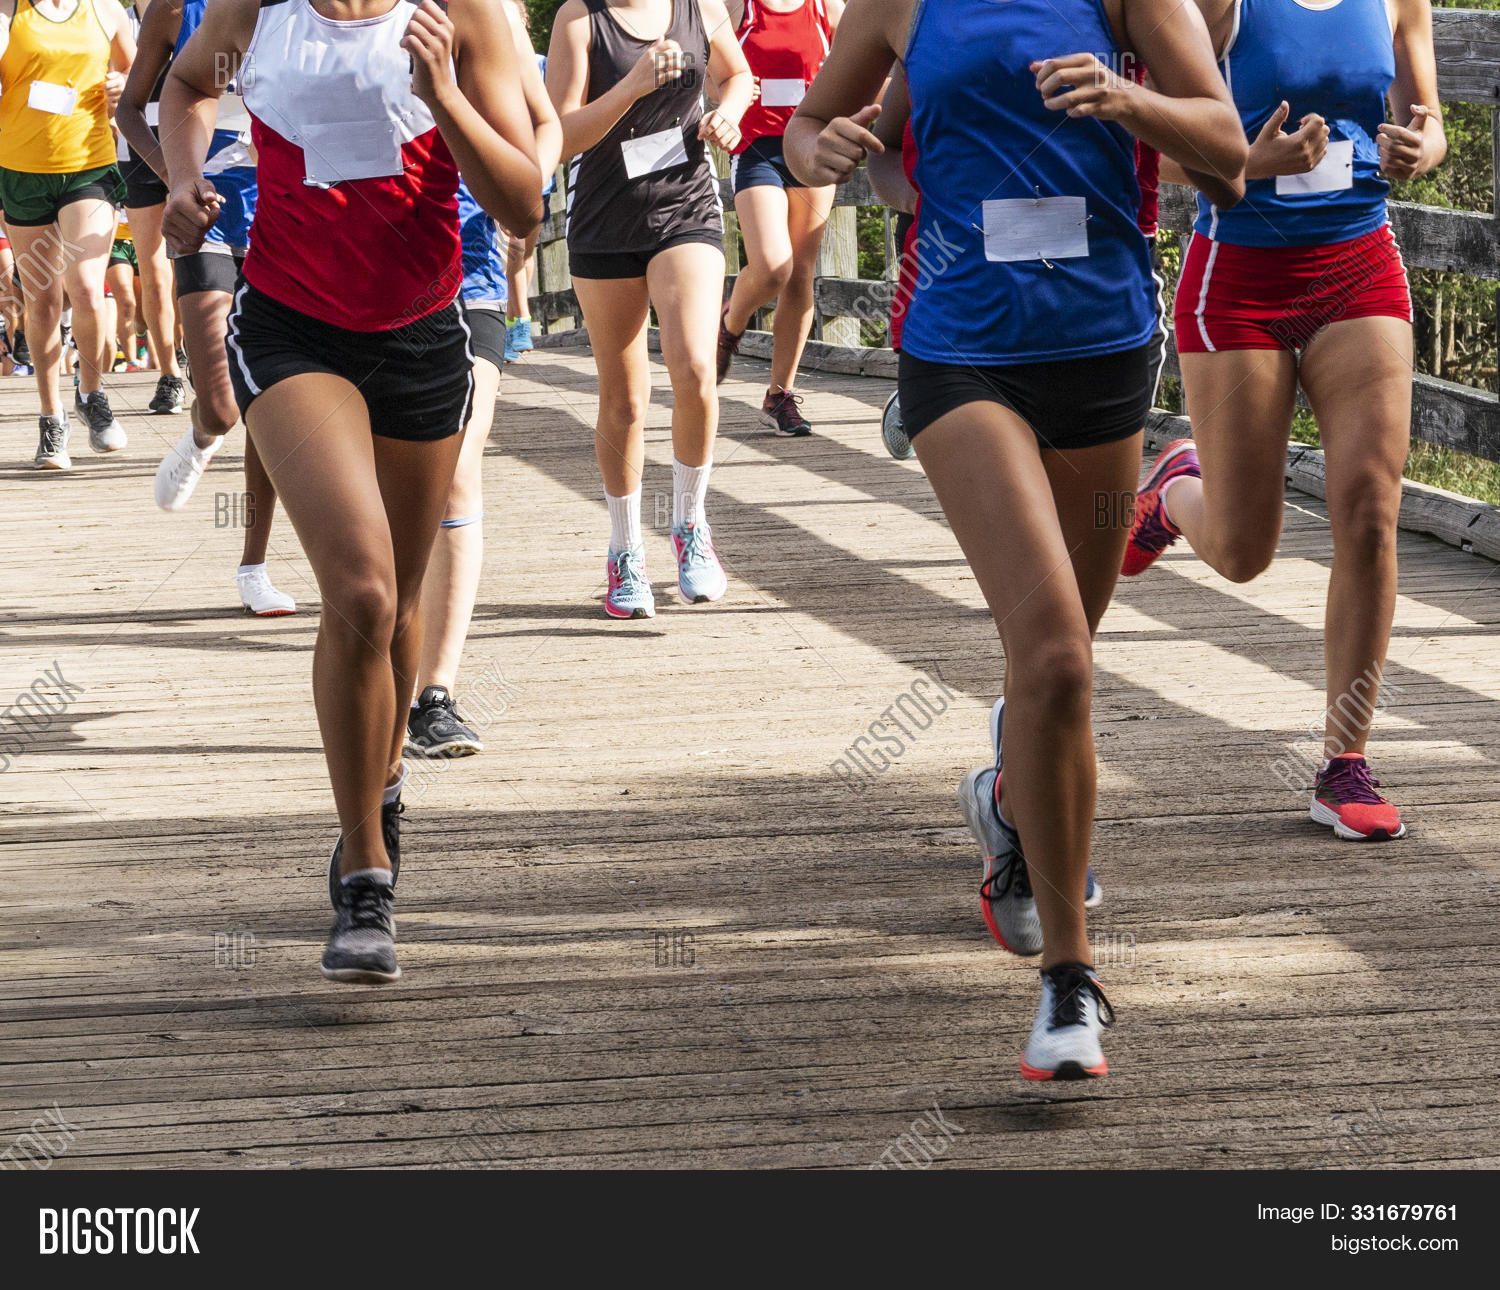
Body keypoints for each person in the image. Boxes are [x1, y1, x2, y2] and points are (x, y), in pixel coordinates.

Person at [786, 0, 1246, 1079]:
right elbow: (807, 131)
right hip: (960, 348)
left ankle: (1005, 798)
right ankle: (1071, 981)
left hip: (1102, 350)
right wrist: (835, 151)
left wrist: (1127, 96)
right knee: (1053, 657)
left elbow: (1225, 154)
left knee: (1063, 670)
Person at [160, 0, 541, 982]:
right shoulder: (259, 11)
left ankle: (390, 782)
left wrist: (446, 93)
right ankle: (365, 871)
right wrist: (185, 180)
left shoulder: (461, 14)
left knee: (404, 605)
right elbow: (183, 85)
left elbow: (526, 203)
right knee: (364, 594)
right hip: (291, 326)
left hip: (422, 335)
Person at [1123, 0, 1445, 843]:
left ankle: (1346, 762)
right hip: (1240, 275)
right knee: (1241, 552)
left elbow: (1428, 118)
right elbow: (1154, 141)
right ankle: (1173, 493)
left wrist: (1423, 148)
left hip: (1359, 261)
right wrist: (1246, 160)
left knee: (1372, 513)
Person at [547, 0, 754, 619]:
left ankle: (691, 524)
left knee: (694, 365)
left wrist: (730, 114)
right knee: (625, 400)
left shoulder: (698, 7)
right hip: (605, 219)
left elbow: (738, 75)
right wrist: (633, 85)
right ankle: (625, 547)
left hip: (686, 206)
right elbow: (557, 138)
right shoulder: (579, 20)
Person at [408, 0, 562, 757]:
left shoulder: (486, 11)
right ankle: (383, 657)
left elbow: (545, 116)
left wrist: (530, 193)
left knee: (459, 468)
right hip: (358, 287)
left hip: (467, 277)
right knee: (382, 492)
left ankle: (436, 694)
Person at [123, 0, 295, 618]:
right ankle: (201, 431)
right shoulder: (177, 8)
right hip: (209, 215)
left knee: (268, 403)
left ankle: (254, 565)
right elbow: (129, 109)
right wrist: (177, 179)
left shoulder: (304, 12)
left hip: (286, 214)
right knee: (225, 406)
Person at [0, 0, 134, 469]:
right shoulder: (10, 11)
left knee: (87, 288)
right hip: (21, 170)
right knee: (42, 300)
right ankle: (51, 417)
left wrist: (122, 85)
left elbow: (138, 74)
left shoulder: (106, 10)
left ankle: (91, 393)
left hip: (89, 167)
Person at [714, 0, 840, 437]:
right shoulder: (738, 7)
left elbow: (856, 66)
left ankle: (779, 395)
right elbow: (717, 78)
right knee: (772, 264)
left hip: (811, 145)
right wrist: (733, 97)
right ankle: (729, 328)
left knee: (801, 273)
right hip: (757, 147)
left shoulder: (827, 7)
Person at [119, 0, 187, 415]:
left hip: (195, 135)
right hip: (136, 141)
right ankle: (169, 374)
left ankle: (193, 350)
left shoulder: (195, 10)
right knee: (154, 268)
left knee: (191, 263)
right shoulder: (117, 16)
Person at [105, 206, 138, 370]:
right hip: (116, 241)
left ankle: (141, 335)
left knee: (144, 315)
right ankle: (131, 360)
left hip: (146, 235)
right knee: (127, 302)